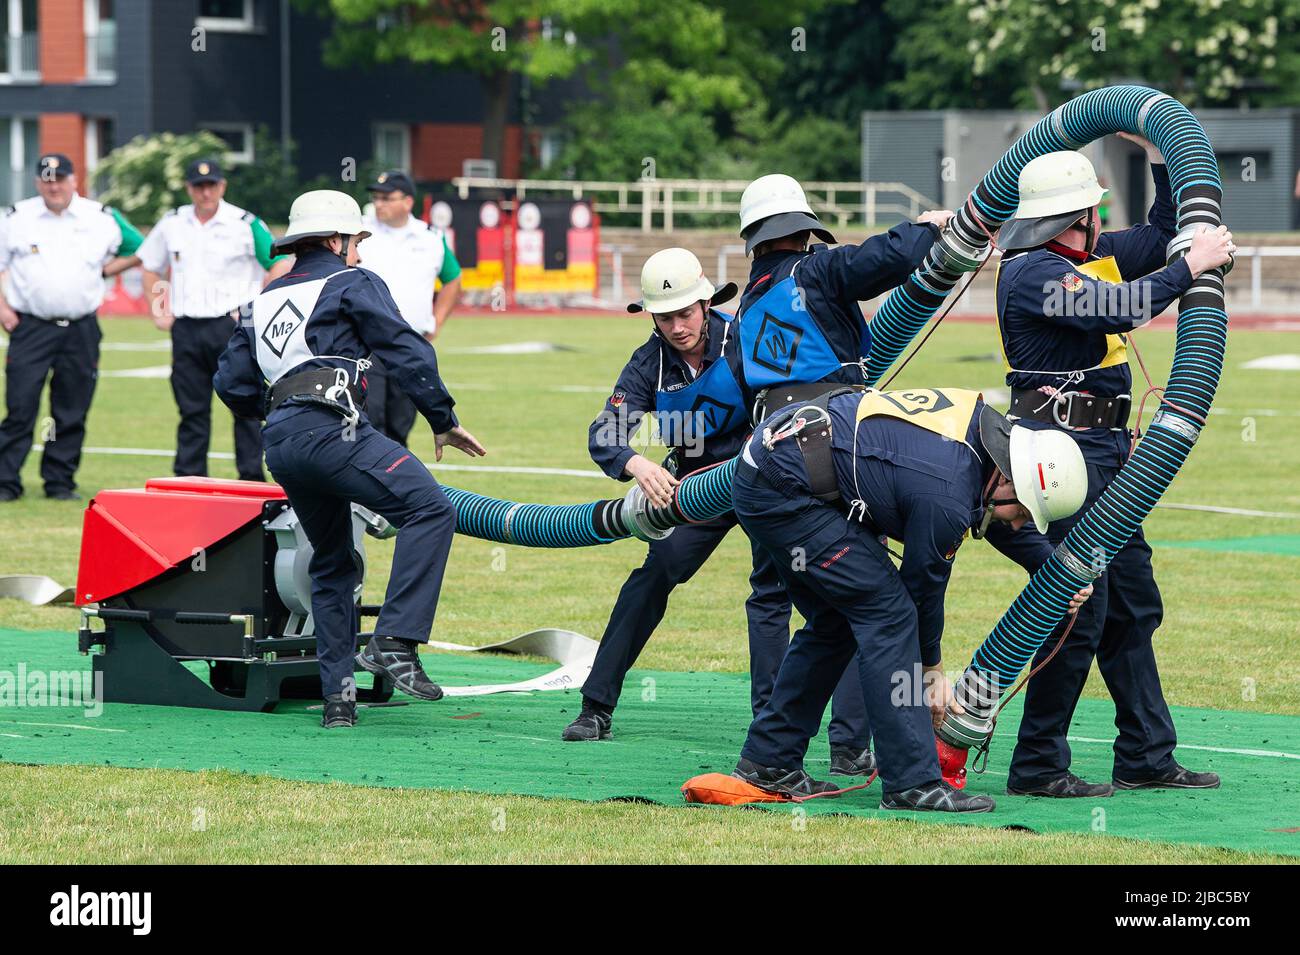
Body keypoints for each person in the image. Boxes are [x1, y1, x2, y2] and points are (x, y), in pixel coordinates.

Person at [989, 135, 1235, 796]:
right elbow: (1121, 308)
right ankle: (1038, 762)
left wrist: (1161, 156)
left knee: (1130, 603)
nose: (1101, 215)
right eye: (1094, 206)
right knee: (1078, 608)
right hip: (1060, 456)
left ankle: (1147, 754)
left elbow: (1160, 232)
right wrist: (1194, 266)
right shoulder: (1032, 272)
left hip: (1107, 454)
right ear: (1077, 217)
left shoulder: (1092, 254)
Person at [569, 249, 872, 777]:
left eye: (685, 313)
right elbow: (606, 433)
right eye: (665, 317)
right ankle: (596, 707)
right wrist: (638, 463)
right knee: (653, 577)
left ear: (707, 303)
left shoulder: (748, 337)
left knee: (785, 592)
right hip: (694, 489)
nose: (677, 326)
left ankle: (804, 733)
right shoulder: (647, 362)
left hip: (771, 479)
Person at [729, 387, 1091, 811]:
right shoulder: (946, 494)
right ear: (1010, 479)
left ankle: (769, 760)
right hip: (785, 492)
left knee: (836, 621)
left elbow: (986, 506)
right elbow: (922, 590)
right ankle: (911, 783)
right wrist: (933, 673)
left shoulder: (986, 437)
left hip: (780, 464)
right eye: (1025, 512)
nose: (1018, 525)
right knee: (890, 614)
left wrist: (1051, 570)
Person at [213, 190, 486, 728]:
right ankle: (395, 641)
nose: (359, 251)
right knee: (430, 509)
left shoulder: (260, 298)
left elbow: (230, 384)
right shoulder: (351, 281)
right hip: (332, 430)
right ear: (337, 241)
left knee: (333, 563)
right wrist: (441, 417)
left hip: (281, 444)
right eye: (356, 241)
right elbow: (407, 350)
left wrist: (282, 412)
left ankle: (338, 700)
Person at [135, 158, 291, 483]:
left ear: (222, 186)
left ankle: (250, 478)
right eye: (198, 186)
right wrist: (160, 306)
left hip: (231, 326)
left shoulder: (244, 222)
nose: (205, 193)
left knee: (244, 405)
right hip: (187, 326)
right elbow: (150, 265)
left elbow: (278, 264)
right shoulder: (172, 223)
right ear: (189, 188)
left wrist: (256, 306)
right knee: (191, 409)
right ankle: (189, 479)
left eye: (211, 186)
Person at [0, 153, 142, 502]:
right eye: (47, 180)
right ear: (38, 183)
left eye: (60, 179)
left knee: (70, 409)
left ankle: (59, 481)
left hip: (80, 328)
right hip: (32, 326)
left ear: (74, 180)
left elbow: (141, 248)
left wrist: (107, 271)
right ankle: (6, 482)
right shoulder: (17, 218)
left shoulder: (100, 217)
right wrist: (2, 308)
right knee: (20, 406)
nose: (54, 186)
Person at [359, 170, 463, 445]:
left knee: (401, 421)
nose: (379, 203)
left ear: (407, 202)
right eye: (376, 197)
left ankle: (394, 481)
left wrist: (436, 321)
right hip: (368, 341)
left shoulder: (430, 237)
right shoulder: (360, 230)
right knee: (371, 417)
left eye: (386, 198)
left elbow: (452, 279)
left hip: (410, 340)